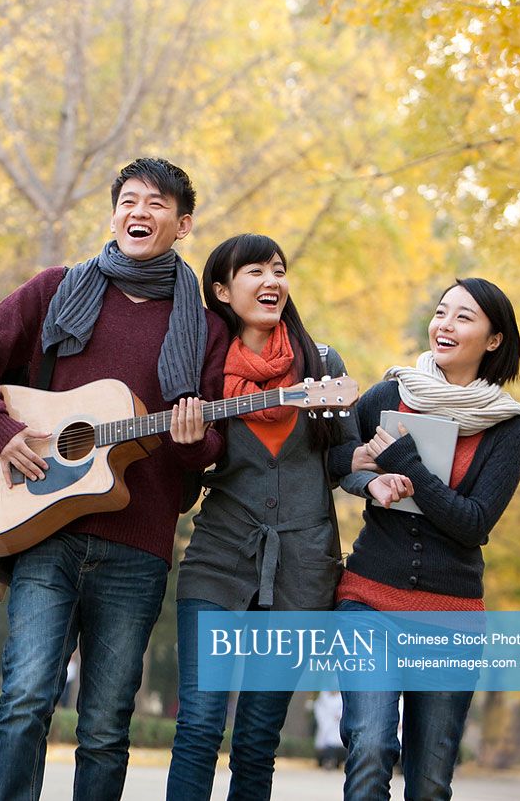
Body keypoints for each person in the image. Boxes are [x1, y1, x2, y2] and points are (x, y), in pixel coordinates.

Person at [0, 158, 228, 801]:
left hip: (139, 546)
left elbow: (212, 447)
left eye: (156, 203)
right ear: (113, 213)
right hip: (46, 530)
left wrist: (194, 439)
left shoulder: (206, 327)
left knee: (105, 725)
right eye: (129, 200)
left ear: (183, 225)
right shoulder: (58, 288)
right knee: (24, 700)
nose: (139, 212)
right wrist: (0, 427)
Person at [167, 233, 359, 800]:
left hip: (303, 571)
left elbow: (344, 458)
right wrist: (186, 445)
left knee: (256, 740)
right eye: (255, 270)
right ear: (222, 290)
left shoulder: (321, 364)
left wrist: (373, 470)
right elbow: (184, 479)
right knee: (199, 726)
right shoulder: (202, 373)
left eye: (278, 269)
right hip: (218, 561)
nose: (271, 280)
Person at [336, 277, 520, 800]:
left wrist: (406, 464)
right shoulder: (389, 395)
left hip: (451, 618)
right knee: (370, 747)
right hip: (368, 601)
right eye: (442, 312)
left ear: (494, 339)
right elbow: (336, 461)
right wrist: (369, 480)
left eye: (464, 317)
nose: (445, 325)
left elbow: (473, 522)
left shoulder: (508, 428)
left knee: (428, 782)